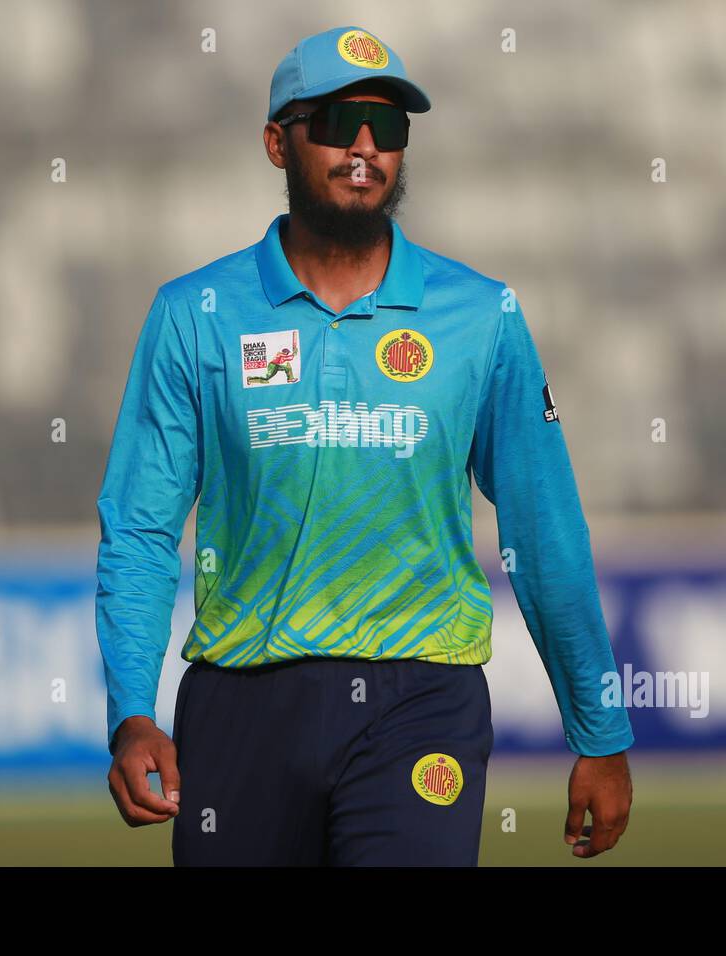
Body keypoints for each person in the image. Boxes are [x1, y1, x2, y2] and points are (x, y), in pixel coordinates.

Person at [96, 25, 633, 866]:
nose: (366, 147)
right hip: (243, 703)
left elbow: (544, 526)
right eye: (341, 120)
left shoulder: (479, 313)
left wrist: (597, 729)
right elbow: (139, 529)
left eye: (390, 128)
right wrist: (131, 710)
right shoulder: (194, 312)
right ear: (278, 142)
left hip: (421, 697)